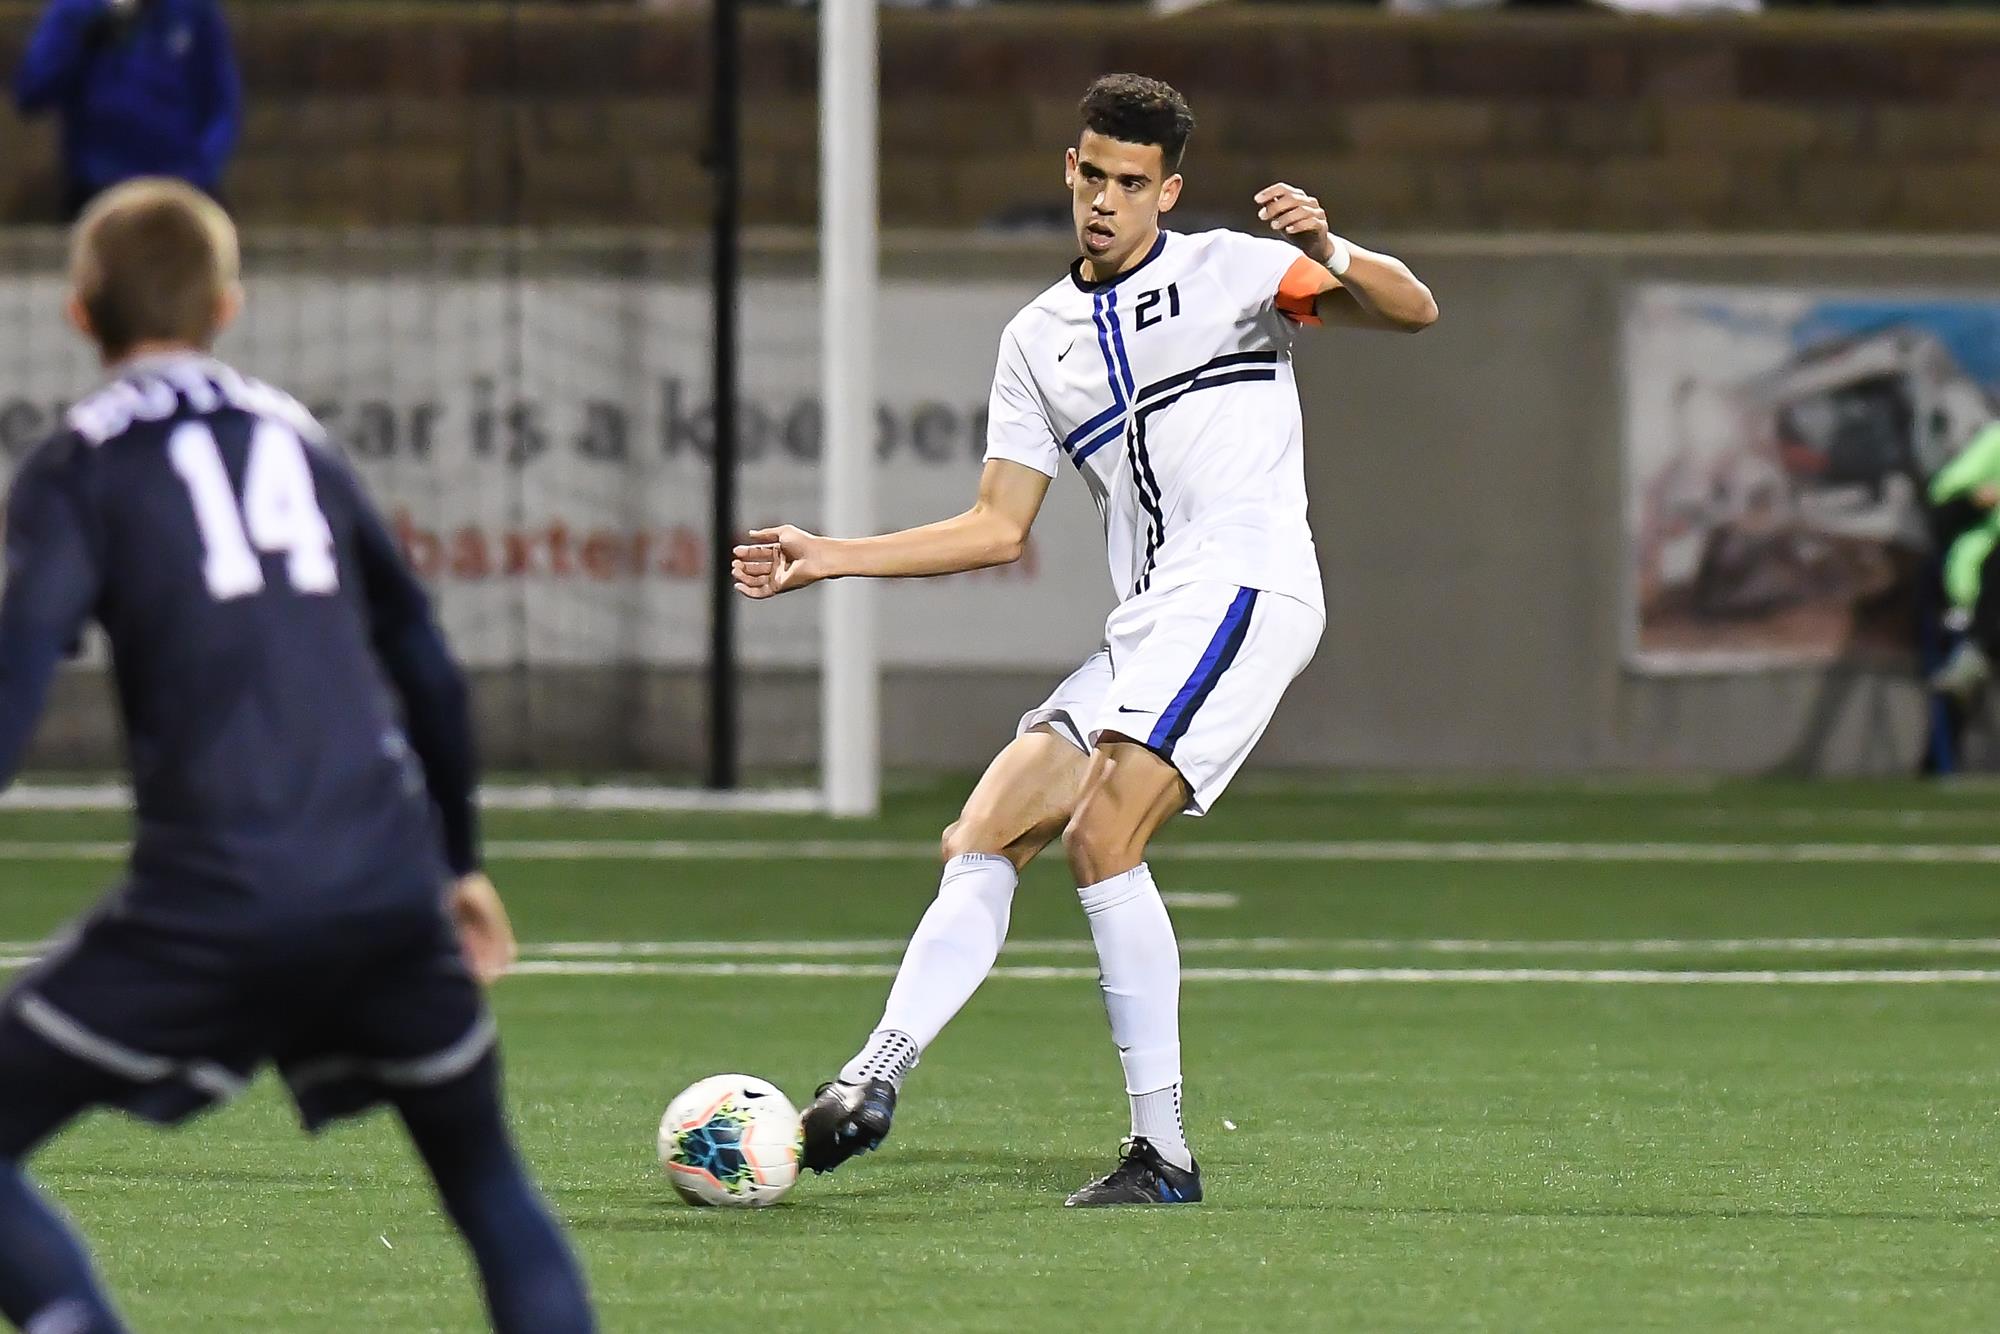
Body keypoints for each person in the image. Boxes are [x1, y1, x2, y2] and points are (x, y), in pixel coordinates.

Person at [733, 73, 1437, 1207]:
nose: (1106, 200)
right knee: (985, 827)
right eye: (1093, 176)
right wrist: (830, 555)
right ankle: (871, 1077)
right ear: (1070, 170)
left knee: (1103, 834)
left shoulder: (1236, 272)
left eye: (1132, 183)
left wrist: (1330, 248)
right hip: (1148, 618)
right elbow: (995, 525)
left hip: (1246, 582)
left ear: (1169, 191)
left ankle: (1163, 1153)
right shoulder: (1036, 339)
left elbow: (1412, 310)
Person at [0, 180, 595, 1333]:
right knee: (486, 1183)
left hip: (210, 902)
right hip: (386, 886)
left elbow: (18, 673)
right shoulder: (294, 436)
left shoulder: (76, 464)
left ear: (79, 313)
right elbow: (425, 663)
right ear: (227, 305)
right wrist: (458, 864)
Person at [13, 0, 241, 219]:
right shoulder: (76, 9)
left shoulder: (194, 11)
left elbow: (223, 104)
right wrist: (82, 41)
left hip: (182, 184)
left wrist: (200, 169)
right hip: (100, 186)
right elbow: (31, 92)